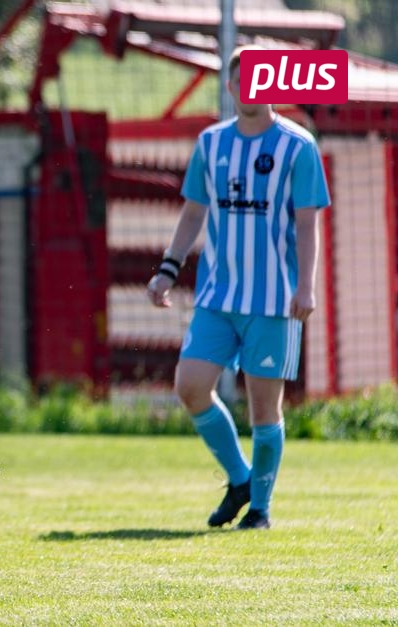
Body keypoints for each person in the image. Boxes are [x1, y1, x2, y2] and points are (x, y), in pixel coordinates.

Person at [147, 45, 329, 531]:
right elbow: (192, 213)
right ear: (229, 88)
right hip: (218, 296)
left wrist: (305, 288)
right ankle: (240, 478)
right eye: (240, 81)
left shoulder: (298, 145)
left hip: (274, 300)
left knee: (264, 407)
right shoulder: (211, 144)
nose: (249, 89)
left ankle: (262, 509)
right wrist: (168, 269)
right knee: (190, 387)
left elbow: (308, 224)